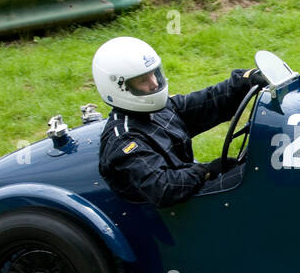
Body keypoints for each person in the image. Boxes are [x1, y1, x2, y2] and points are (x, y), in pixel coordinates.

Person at [94, 36, 263, 208]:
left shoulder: (157, 110)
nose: (154, 84)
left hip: (189, 194)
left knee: (259, 164)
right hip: (171, 214)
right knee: (258, 180)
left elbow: (209, 102)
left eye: (154, 74)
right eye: (143, 80)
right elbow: (164, 188)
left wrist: (245, 80)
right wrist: (206, 171)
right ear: (121, 87)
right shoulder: (125, 141)